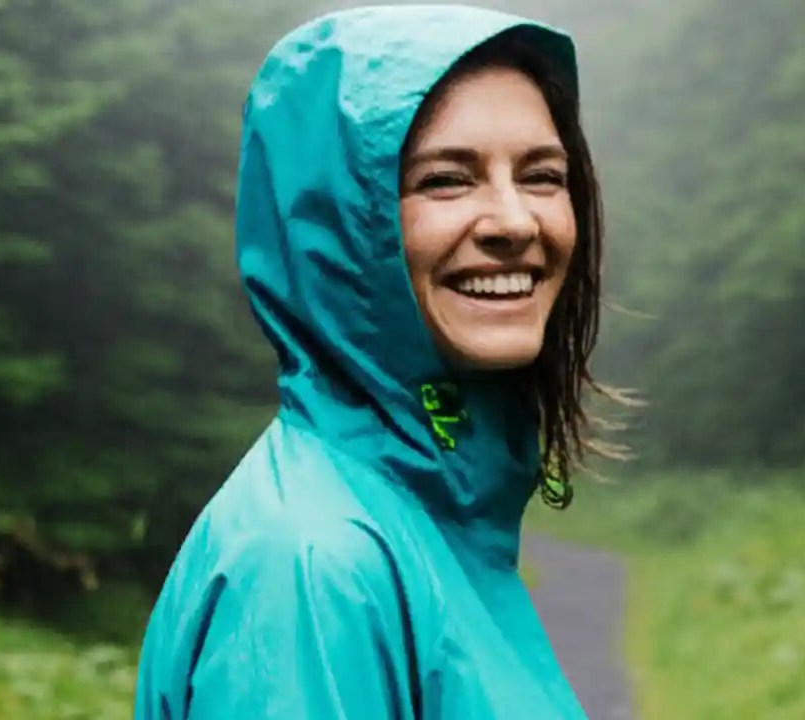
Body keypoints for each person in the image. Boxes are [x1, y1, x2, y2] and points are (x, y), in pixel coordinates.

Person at [134, 5, 618, 718]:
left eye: (542, 175)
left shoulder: (425, 514)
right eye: (446, 180)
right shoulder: (311, 570)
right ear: (335, 228)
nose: (516, 221)